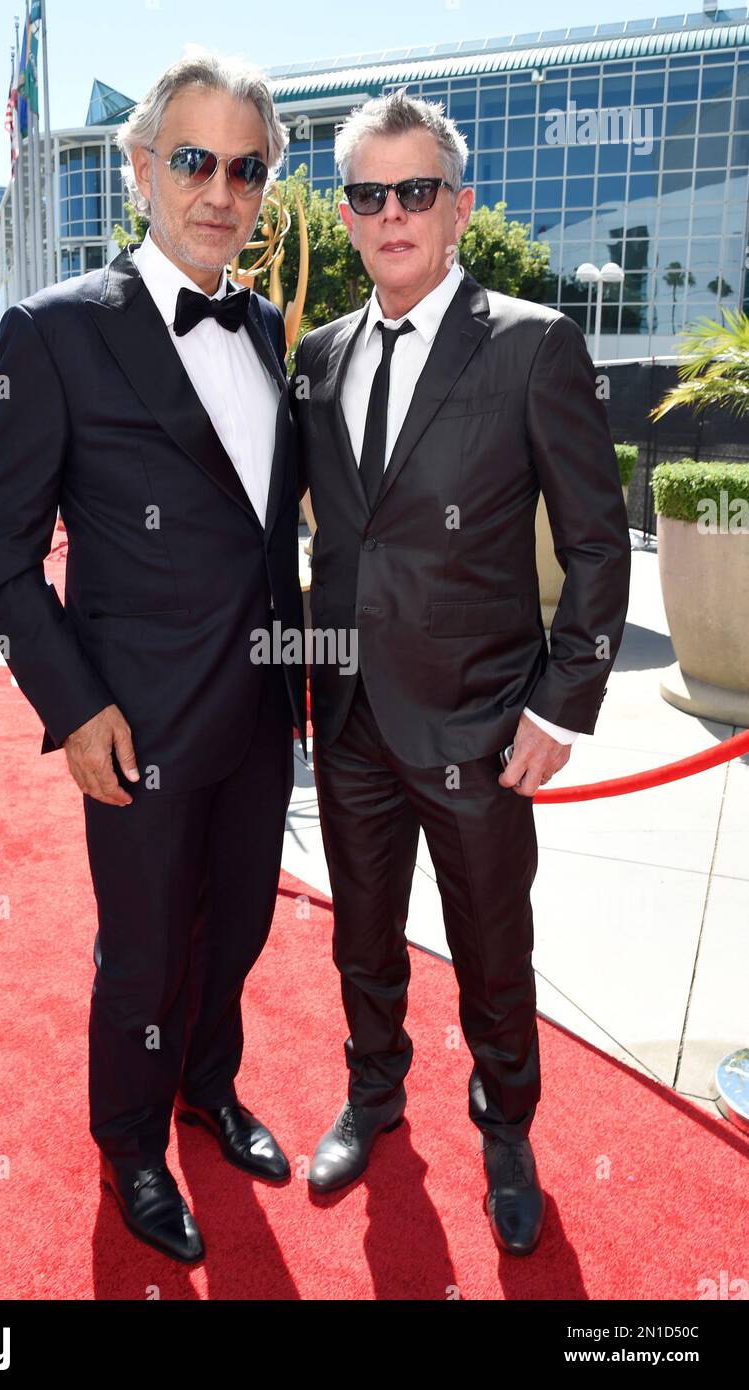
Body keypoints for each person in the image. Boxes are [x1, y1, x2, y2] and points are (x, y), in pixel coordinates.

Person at [0, 52, 307, 1265]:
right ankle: (129, 1142)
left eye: (245, 167)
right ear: (139, 165)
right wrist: (74, 710)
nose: (219, 190)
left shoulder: (267, 324)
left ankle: (206, 1088)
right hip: (139, 727)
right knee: (145, 950)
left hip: (261, 713)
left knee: (237, 932)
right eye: (193, 159)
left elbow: (267, 530)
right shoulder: (53, 330)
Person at [291, 91, 631, 1256]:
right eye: (369, 194)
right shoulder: (318, 357)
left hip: (482, 722)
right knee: (362, 936)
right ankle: (373, 1095)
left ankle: (504, 1125)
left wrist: (560, 700)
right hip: (344, 719)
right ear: (345, 215)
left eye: (415, 191)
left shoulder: (533, 344)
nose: (392, 214)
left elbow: (595, 541)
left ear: (458, 206)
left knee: (492, 942)